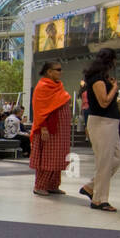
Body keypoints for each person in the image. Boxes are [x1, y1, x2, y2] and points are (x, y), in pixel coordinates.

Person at [78, 49, 120, 211]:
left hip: (110, 122)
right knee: (104, 162)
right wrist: (114, 88)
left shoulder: (102, 78)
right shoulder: (97, 79)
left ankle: (91, 187)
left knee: (116, 158)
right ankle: (99, 199)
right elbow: (103, 102)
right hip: (102, 122)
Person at [29, 60, 71, 196]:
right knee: (47, 158)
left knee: (58, 157)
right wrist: (43, 128)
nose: (61, 72)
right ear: (49, 72)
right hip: (48, 129)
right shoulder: (42, 87)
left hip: (60, 130)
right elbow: (39, 109)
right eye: (58, 69)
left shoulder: (58, 86)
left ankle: (53, 185)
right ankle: (40, 185)